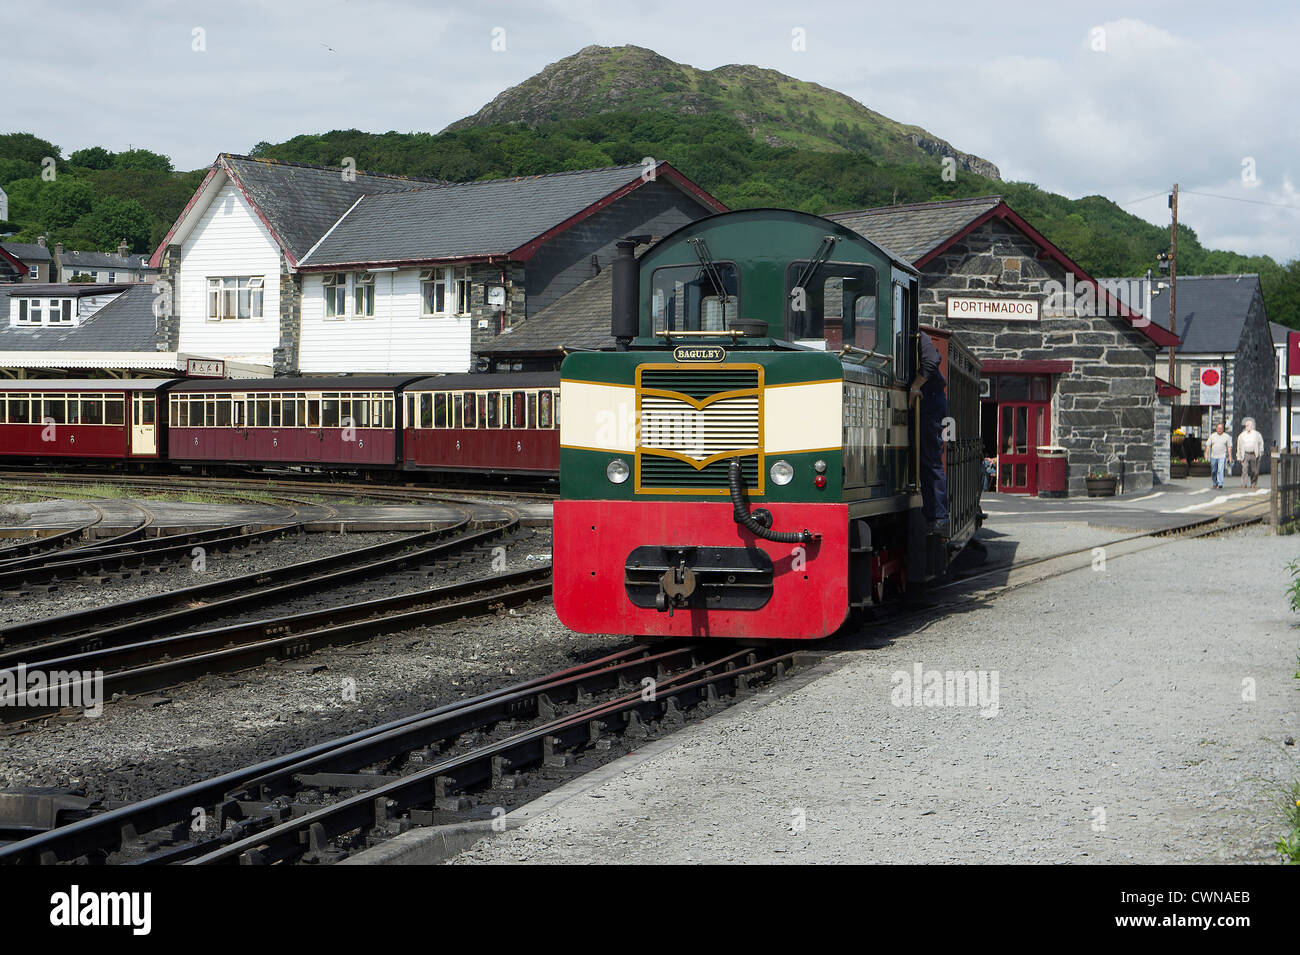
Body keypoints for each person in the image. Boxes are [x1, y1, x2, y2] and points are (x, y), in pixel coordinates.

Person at [910, 331, 950, 537]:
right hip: (925, 399)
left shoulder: (920, 337)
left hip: (930, 400)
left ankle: (938, 517)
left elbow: (932, 359)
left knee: (930, 458)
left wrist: (916, 385)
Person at [1236, 417, 1264, 490]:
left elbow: (1261, 444)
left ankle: (1253, 483)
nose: (1247, 427)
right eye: (1246, 426)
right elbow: (1238, 446)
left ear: (1252, 426)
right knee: (1244, 469)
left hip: (1254, 454)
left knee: (1254, 471)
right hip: (1245, 454)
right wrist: (1238, 456)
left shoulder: (1257, 434)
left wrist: (1260, 453)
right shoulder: (1242, 435)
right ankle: (1244, 484)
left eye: (1248, 425)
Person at [1205, 422, 1233, 489]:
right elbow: (1208, 445)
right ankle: (1215, 482)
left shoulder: (1226, 436)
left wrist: (1230, 456)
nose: (1219, 429)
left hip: (1222, 456)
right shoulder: (1212, 436)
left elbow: (1229, 447)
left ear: (1223, 429)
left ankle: (1220, 483)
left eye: (1221, 428)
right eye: (1218, 428)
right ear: (1216, 429)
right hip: (1213, 456)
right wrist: (1206, 454)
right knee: (1213, 470)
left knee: (1220, 469)